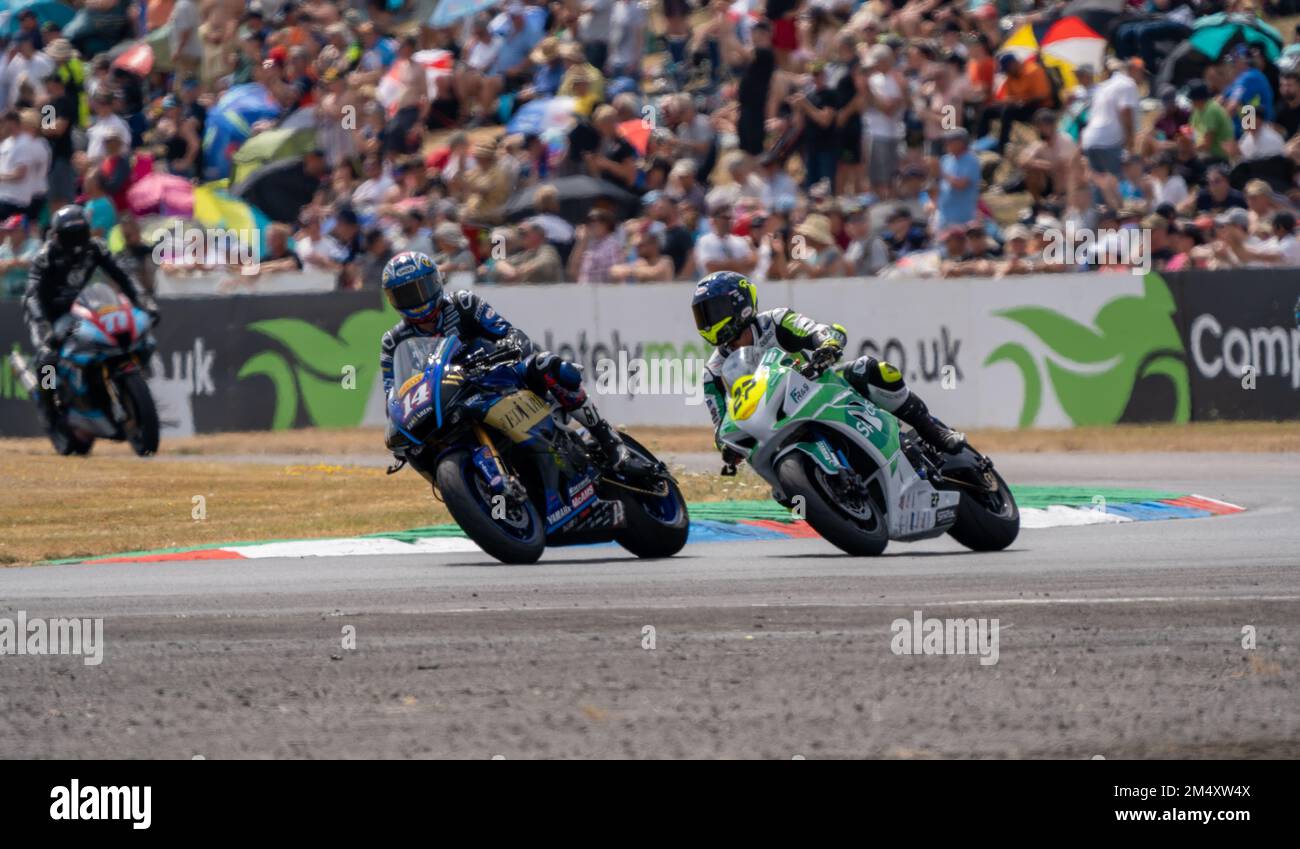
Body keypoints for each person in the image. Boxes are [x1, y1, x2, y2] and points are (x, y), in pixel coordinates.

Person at [377, 250, 649, 473]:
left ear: (435, 283)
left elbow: (507, 331)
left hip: (494, 374)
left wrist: (512, 346)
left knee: (548, 365)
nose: (416, 299)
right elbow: (394, 395)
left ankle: (609, 440)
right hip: (450, 400)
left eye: (419, 289)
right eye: (405, 294)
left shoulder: (463, 303)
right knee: (416, 447)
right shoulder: (393, 342)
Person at [690, 272, 966, 470]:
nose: (709, 321)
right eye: (703, 315)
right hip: (773, 424)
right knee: (784, 493)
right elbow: (721, 425)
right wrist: (728, 447)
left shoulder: (774, 321)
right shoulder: (713, 372)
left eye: (714, 310)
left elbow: (815, 330)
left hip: (818, 387)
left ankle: (931, 430)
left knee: (873, 370)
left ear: (741, 303)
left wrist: (827, 345)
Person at [23, 205, 157, 429]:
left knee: (118, 335)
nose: (76, 243)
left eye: (80, 234)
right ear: (56, 236)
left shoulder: (96, 248)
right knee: (46, 360)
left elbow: (123, 275)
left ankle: (111, 384)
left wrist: (143, 300)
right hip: (50, 316)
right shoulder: (45, 257)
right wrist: (42, 324)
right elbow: (31, 295)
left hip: (82, 309)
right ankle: (49, 409)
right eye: (70, 236)